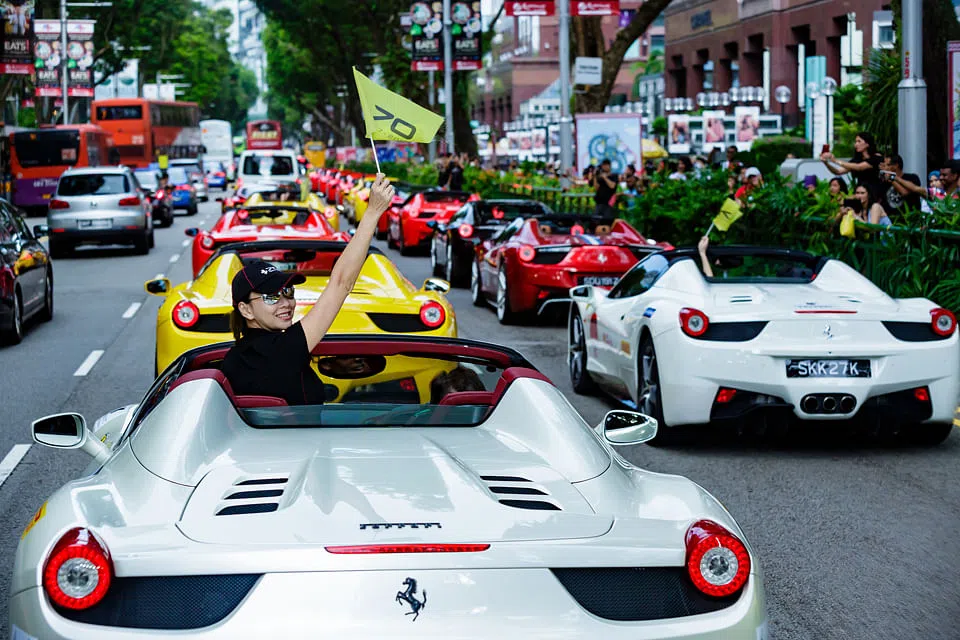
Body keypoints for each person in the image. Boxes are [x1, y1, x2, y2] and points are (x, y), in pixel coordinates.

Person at [220, 175, 395, 405]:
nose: (285, 303)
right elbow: (341, 283)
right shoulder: (282, 350)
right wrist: (372, 212)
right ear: (246, 310)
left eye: (288, 292)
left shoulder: (233, 359)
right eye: (272, 296)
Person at [820, 132, 883, 196]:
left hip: (874, 192)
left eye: (859, 141)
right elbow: (838, 171)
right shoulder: (856, 160)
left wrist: (835, 160)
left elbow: (859, 167)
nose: (856, 144)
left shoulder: (876, 157)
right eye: (855, 142)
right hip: (860, 192)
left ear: (867, 144)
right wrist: (826, 163)